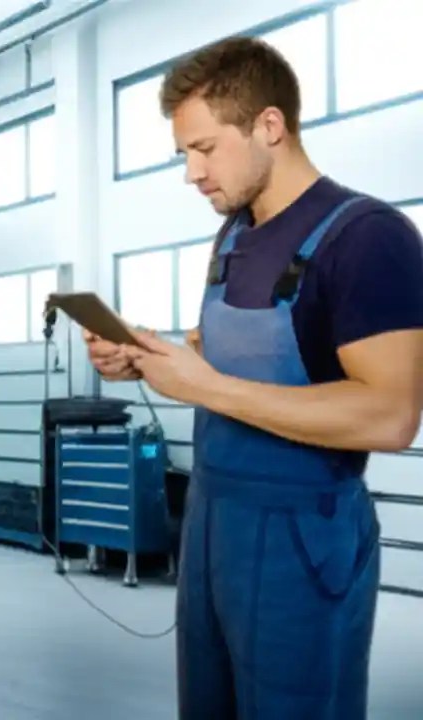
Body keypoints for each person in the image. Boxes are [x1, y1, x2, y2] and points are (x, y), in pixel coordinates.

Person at [86, 36, 423, 719]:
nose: (192, 172)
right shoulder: (234, 236)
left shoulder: (368, 239)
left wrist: (203, 386)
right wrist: (147, 359)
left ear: (269, 125)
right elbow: (226, 358)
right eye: (184, 153)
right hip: (212, 521)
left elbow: (390, 415)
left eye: (204, 148)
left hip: (303, 533)